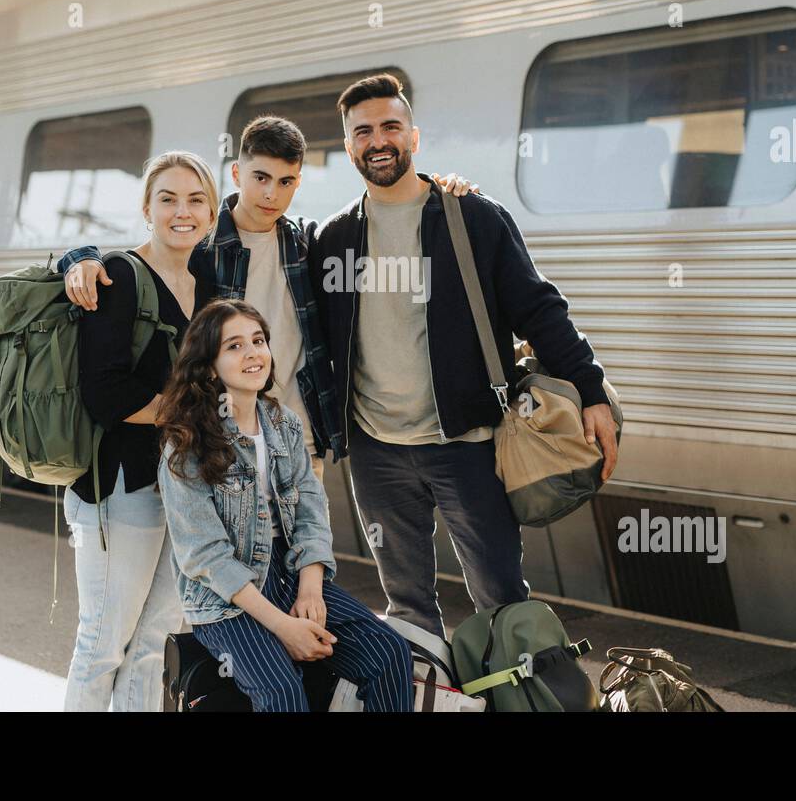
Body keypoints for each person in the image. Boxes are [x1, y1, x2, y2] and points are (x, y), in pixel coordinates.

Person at [308, 73, 620, 640]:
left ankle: (517, 695)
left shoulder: (472, 218)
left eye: (390, 127)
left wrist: (591, 390)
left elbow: (540, 310)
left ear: (414, 136)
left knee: (502, 599)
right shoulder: (333, 239)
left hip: (468, 445)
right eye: (363, 132)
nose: (379, 141)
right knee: (405, 608)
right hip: (376, 453)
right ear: (349, 145)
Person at [55, 116, 478, 482]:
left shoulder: (307, 244)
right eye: (261, 178)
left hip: (301, 442)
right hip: (226, 444)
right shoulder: (203, 247)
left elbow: (380, 228)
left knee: (309, 568)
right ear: (237, 174)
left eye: (286, 181)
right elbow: (146, 258)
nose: (271, 194)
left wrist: (434, 190)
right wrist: (79, 258)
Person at [156, 299, 414, 712]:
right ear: (208, 367)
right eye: (234, 346)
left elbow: (311, 510)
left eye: (258, 340)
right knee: (281, 693)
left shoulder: (285, 425)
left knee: (388, 653)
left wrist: (311, 588)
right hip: (227, 597)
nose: (253, 353)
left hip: (291, 572)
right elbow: (204, 555)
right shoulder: (187, 444)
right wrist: (284, 627)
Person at [62, 151, 217, 711]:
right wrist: (192, 415)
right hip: (120, 490)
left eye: (196, 199)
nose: (183, 211)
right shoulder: (119, 275)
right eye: (168, 199)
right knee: (101, 646)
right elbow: (105, 395)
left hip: (183, 489)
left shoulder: (208, 281)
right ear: (146, 209)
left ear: (212, 212)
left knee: (154, 646)